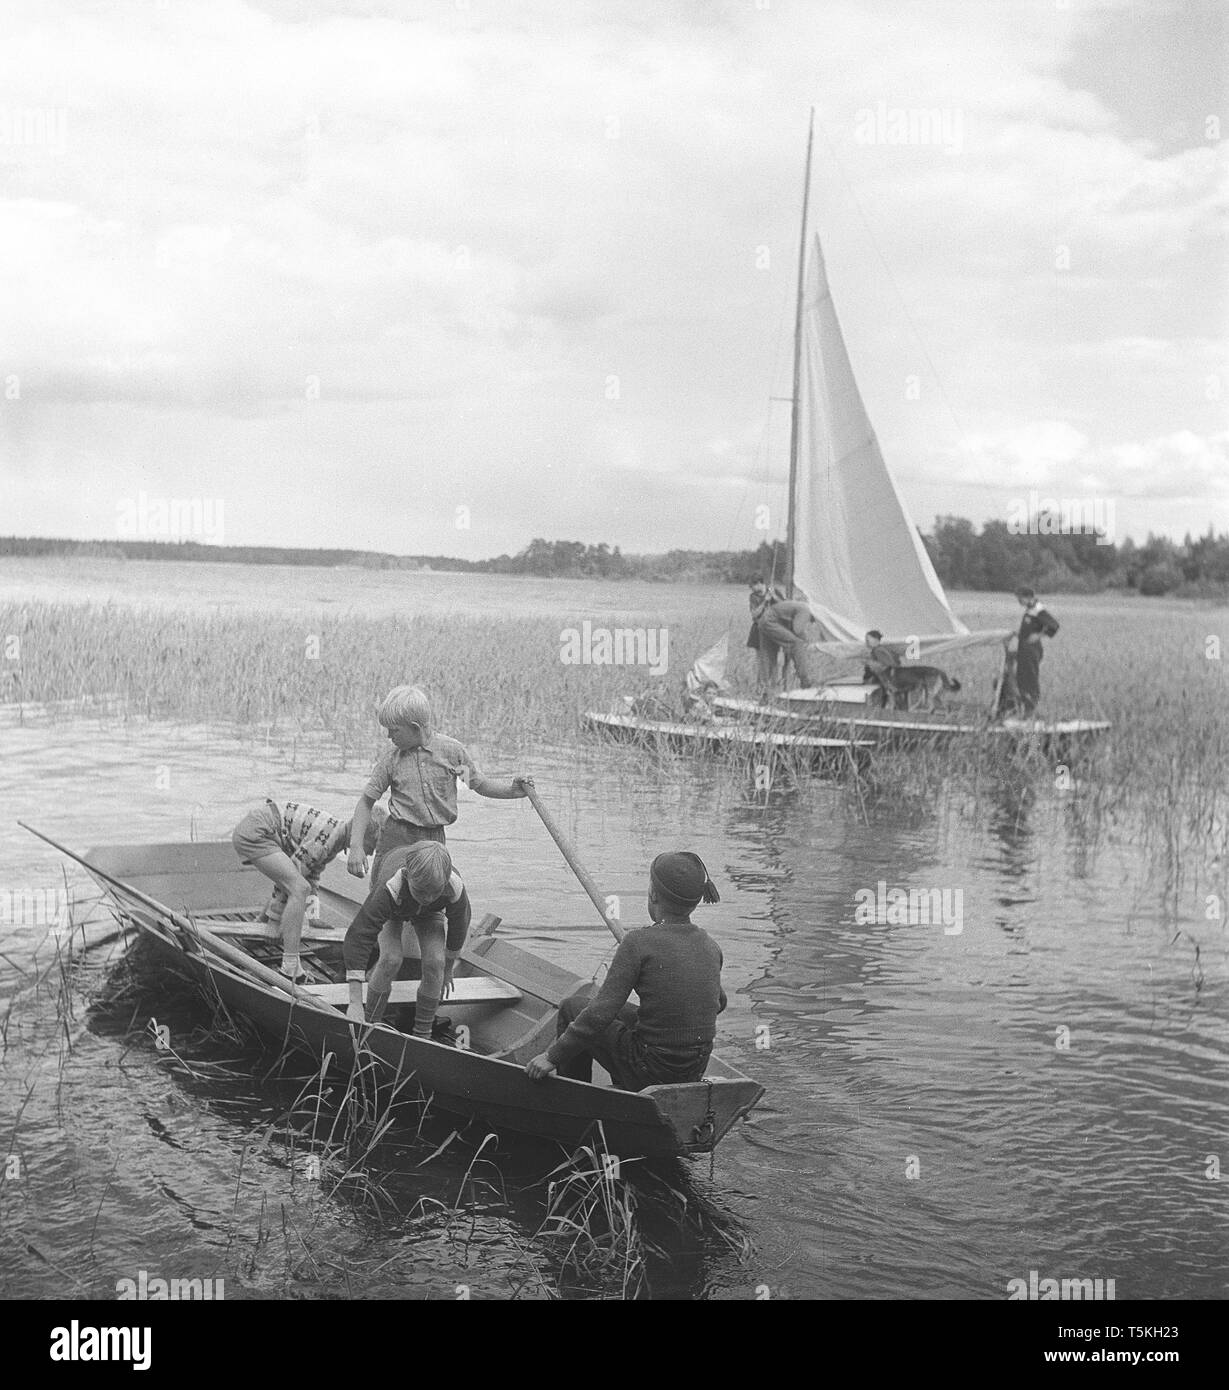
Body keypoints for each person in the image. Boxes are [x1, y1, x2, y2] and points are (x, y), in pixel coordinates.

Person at [524, 851, 727, 1091]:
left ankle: (574, 1096)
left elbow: (600, 1013)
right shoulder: (710, 945)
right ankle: (622, 1084)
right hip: (694, 1068)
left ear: (653, 895)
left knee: (572, 1007)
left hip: (649, 1069)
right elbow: (719, 1003)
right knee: (628, 1016)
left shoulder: (638, 942)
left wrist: (552, 1056)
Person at [347, 685, 532, 887]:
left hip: (433, 839)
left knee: (430, 891)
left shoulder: (452, 754)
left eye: (394, 730)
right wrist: (356, 846)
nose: (389, 736)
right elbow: (366, 803)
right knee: (383, 890)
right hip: (397, 836)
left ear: (415, 728)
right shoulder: (391, 760)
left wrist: (512, 791)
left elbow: (478, 784)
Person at [231, 800, 386, 981]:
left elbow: (311, 875)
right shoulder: (326, 839)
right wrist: (274, 920)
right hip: (258, 832)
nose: (369, 854)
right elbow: (292, 881)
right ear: (359, 835)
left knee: (298, 883)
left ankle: (256, 931)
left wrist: (313, 917)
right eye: (370, 847)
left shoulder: (335, 837)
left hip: (262, 829)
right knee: (298, 888)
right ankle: (290, 967)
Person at [343, 841, 471, 1035]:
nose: (427, 898)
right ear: (406, 875)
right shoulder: (389, 887)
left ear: (445, 882)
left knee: (436, 962)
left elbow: (459, 927)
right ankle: (369, 1025)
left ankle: (423, 1032)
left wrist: (448, 969)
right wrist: (354, 1002)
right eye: (421, 892)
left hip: (430, 913)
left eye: (434, 892)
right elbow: (359, 936)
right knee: (391, 959)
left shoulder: (454, 888)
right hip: (395, 909)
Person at [749, 580, 816, 690]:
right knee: (797, 644)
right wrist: (805, 640)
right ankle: (805, 680)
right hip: (769, 622)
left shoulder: (801, 606)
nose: (812, 622)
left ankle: (763, 691)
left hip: (765, 622)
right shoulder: (805, 610)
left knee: (767, 658)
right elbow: (797, 630)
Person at [1013, 587, 1059, 713]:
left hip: (1031, 649)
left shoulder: (1038, 610)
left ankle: (1030, 709)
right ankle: (1024, 708)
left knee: (1030, 679)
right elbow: (1031, 626)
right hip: (1024, 648)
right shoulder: (1030, 609)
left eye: (1020, 598)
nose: (1019, 601)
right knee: (1022, 678)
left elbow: (1054, 625)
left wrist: (1038, 635)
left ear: (1029, 597)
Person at [861, 629, 900, 705]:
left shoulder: (878, 650)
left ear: (876, 639)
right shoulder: (881, 649)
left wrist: (869, 663)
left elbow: (886, 665)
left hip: (881, 678)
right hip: (884, 678)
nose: (866, 641)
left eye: (868, 639)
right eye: (866, 639)